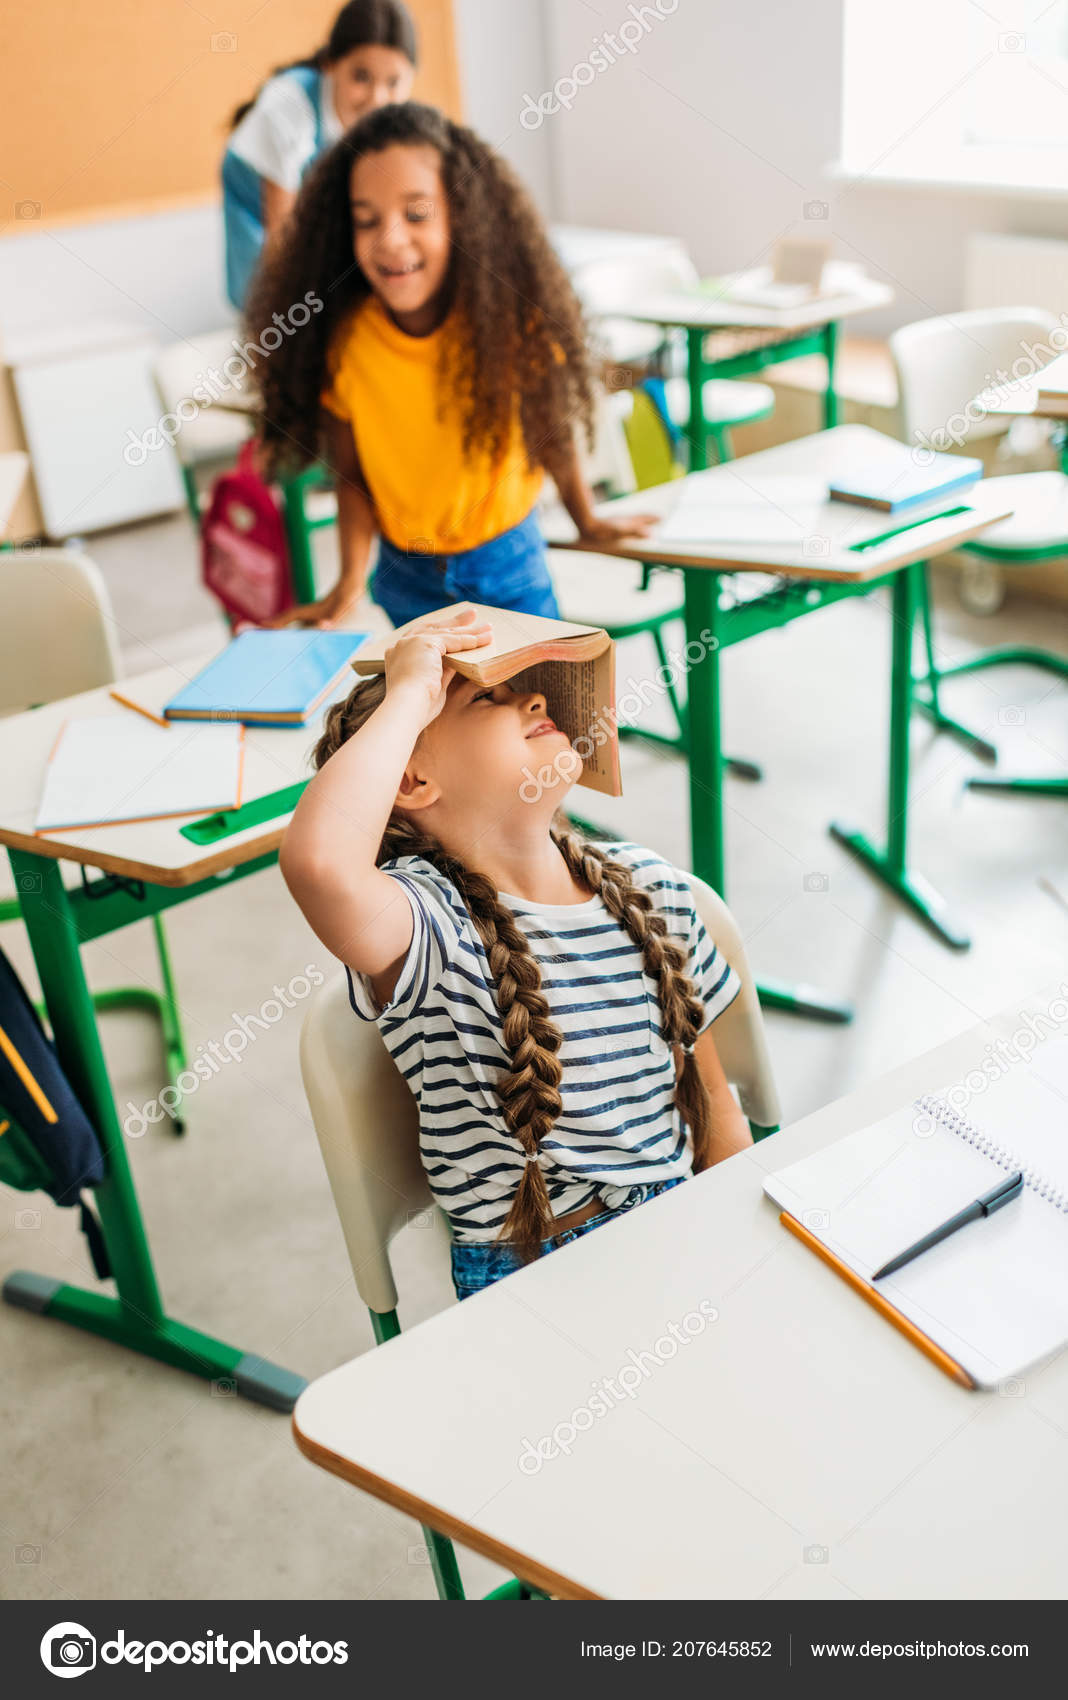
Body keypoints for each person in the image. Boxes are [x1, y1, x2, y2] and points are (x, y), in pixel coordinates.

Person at [280, 610, 752, 1300]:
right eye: (485, 697)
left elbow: (713, 1103)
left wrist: (741, 1244)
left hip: (689, 1229)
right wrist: (411, 690)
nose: (534, 699)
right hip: (540, 1283)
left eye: (526, 689)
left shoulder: (654, 889)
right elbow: (320, 863)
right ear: (409, 780)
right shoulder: (428, 928)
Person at [248, 101, 656, 629]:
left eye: (417, 213)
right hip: (404, 578)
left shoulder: (509, 321)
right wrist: (349, 583)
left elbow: (549, 430)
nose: (390, 239)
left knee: (541, 711)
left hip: (507, 567)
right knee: (438, 713)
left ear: (462, 214)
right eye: (366, 220)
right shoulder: (346, 342)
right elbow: (351, 476)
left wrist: (588, 519)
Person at [222, 0, 416, 310]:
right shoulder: (287, 107)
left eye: (393, 83)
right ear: (330, 63)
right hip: (258, 203)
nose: (377, 98)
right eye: (362, 77)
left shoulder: (396, 125)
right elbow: (282, 241)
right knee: (267, 304)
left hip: (309, 196)